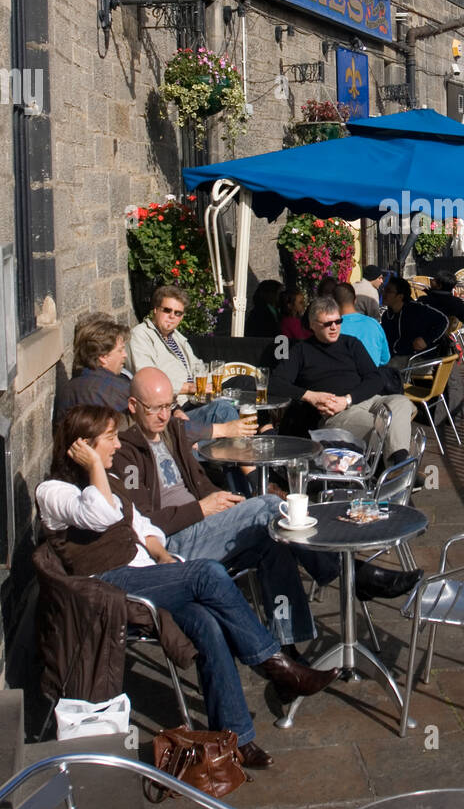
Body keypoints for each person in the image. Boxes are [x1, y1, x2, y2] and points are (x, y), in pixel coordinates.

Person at [37, 406, 337, 769]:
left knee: (207, 622)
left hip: (146, 575)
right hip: (107, 589)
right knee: (208, 574)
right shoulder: (53, 491)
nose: (117, 445)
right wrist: (95, 467)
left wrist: (161, 553)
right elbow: (99, 514)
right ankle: (276, 665)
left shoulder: (110, 481)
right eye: (110, 438)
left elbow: (144, 525)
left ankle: (236, 738)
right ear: (83, 446)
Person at [114, 367, 416, 612]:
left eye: (169, 406)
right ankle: (350, 574)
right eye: (155, 409)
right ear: (133, 406)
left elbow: (200, 481)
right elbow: (143, 521)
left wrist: (226, 500)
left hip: (203, 522)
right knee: (269, 506)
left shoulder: (171, 433)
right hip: (171, 544)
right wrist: (203, 508)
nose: (164, 415)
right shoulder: (126, 452)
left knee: (275, 544)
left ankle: (286, 649)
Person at [271, 297, 418, 478]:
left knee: (401, 402)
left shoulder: (351, 343)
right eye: (328, 323)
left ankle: (397, 466)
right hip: (337, 413)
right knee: (388, 426)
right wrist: (310, 396)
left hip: (363, 399)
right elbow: (276, 382)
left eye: (338, 321)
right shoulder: (301, 351)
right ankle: (400, 470)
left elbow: (375, 378)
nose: (334, 327)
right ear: (313, 325)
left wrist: (348, 399)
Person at [56, 313, 248, 446]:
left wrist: (177, 410)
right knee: (224, 433)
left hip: (157, 430)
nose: (125, 356)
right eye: (120, 350)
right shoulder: (109, 389)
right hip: (144, 451)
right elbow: (159, 424)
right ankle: (252, 486)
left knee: (222, 410)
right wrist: (219, 430)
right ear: (103, 357)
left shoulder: (83, 383)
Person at [128, 286, 239, 431]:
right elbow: (146, 380)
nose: (172, 316)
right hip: (174, 406)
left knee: (241, 385)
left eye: (178, 313)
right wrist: (190, 387)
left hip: (196, 399)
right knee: (223, 409)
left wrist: (216, 379)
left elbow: (197, 367)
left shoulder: (176, 337)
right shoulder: (141, 336)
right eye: (167, 310)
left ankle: (264, 432)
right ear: (155, 309)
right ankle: (242, 449)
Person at [381, 276, 450, 370]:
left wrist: (426, 340)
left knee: (385, 369)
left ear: (400, 296)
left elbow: (443, 320)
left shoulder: (416, 309)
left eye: (388, 291)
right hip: (397, 357)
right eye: (384, 290)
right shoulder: (386, 316)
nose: (384, 294)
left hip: (421, 359)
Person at [335, 282, 390, 365]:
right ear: (355, 300)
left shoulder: (332, 328)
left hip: (344, 375)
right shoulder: (374, 324)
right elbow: (385, 359)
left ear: (333, 302)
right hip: (372, 375)